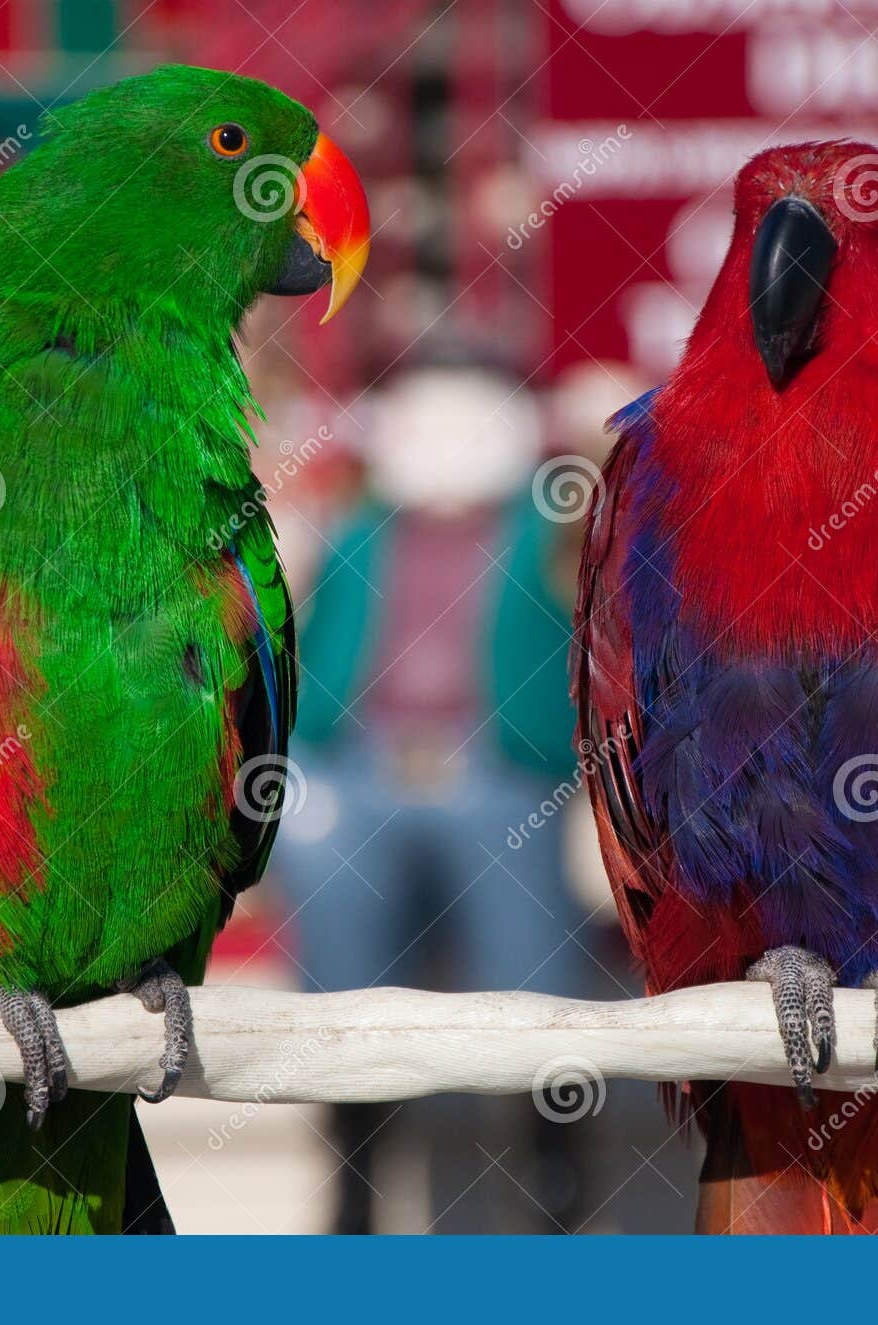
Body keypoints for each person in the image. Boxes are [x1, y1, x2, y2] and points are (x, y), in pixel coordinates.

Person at [275, 356, 603, 1232]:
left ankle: (556, 1177)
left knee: (531, 968)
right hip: (363, 765)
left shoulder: (550, 523)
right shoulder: (359, 527)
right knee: (339, 949)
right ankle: (354, 1180)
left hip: (497, 770)